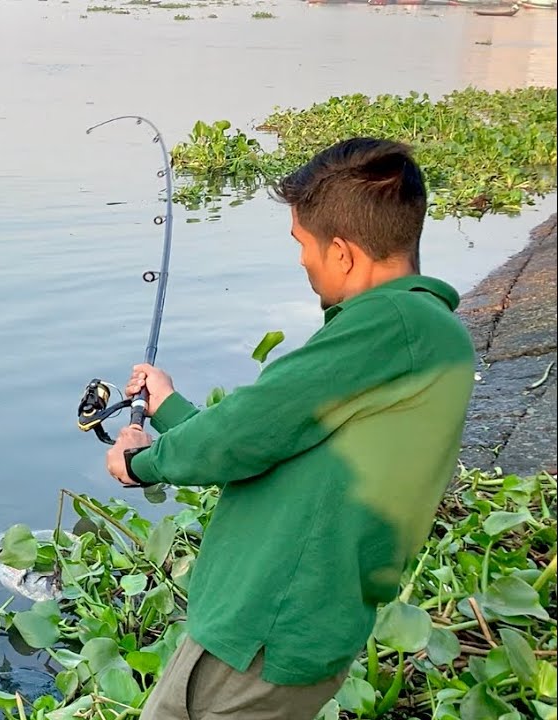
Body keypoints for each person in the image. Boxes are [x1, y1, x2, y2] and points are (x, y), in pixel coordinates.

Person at [104, 137, 476, 719]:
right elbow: (278, 441)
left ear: (344, 254)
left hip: (264, 630)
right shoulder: (417, 333)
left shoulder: (391, 324)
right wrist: (170, 408)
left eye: (302, 244)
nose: (301, 259)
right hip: (287, 623)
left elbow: (247, 429)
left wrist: (140, 461)